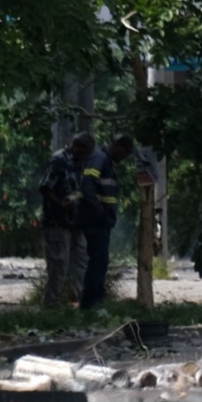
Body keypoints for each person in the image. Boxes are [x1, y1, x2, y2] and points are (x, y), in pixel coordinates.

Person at [78, 133, 134, 310]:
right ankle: (90, 303)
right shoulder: (99, 159)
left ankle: (98, 299)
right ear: (117, 147)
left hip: (102, 221)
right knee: (98, 259)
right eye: (124, 153)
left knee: (101, 260)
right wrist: (100, 211)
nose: (123, 158)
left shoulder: (106, 161)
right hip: (95, 221)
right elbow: (87, 186)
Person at [39, 132, 95, 308]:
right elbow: (45, 187)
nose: (87, 156)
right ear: (77, 147)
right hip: (57, 223)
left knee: (81, 263)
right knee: (58, 265)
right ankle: (51, 305)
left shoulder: (82, 163)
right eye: (85, 152)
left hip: (76, 223)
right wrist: (61, 205)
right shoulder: (59, 160)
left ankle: (86, 305)